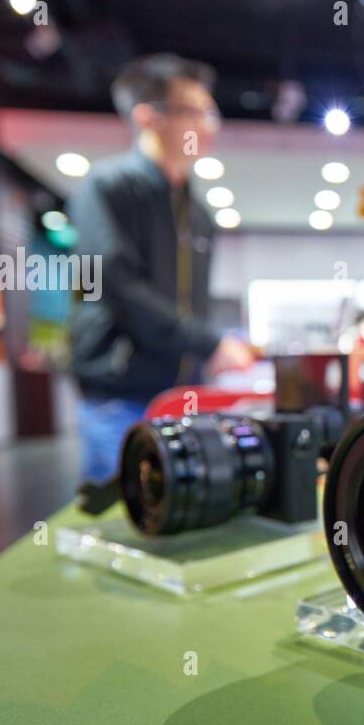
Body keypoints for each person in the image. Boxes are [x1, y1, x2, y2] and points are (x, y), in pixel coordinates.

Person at [68, 52, 253, 481]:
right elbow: (115, 281)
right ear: (149, 117)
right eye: (195, 112)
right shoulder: (107, 187)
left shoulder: (199, 212)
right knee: (120, 519)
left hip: (184, 397)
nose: (209, 126)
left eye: (212, 114)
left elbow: (195, 301)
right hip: (120, 395)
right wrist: (209, 343)